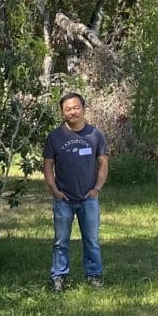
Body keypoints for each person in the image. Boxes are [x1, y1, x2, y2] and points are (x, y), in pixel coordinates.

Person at [42, 92, 110, 292]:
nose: (73, 112)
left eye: (76, 107)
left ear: (83, 108)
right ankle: (59, 278)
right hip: (64, 199)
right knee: (61, 241)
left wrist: (97, 189)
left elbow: (103, 163)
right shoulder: (55, 137)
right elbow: (47, 166)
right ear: (63, 112)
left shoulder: (95, 134)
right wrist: (54, 190)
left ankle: (94, 276)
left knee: (92, 241)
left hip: (88, 199)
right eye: (68, 109)